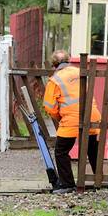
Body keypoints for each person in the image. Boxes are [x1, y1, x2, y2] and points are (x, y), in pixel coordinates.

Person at [43, 49, 101, 190]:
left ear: (54, 64)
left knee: (61, 151)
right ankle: (99, 180)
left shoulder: (55, 79)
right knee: (92, 149)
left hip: (71, 120)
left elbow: (49, 107)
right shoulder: (81, 72)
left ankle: (68, 184)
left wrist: (59, 117)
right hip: (91, 115)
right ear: (69, 60)